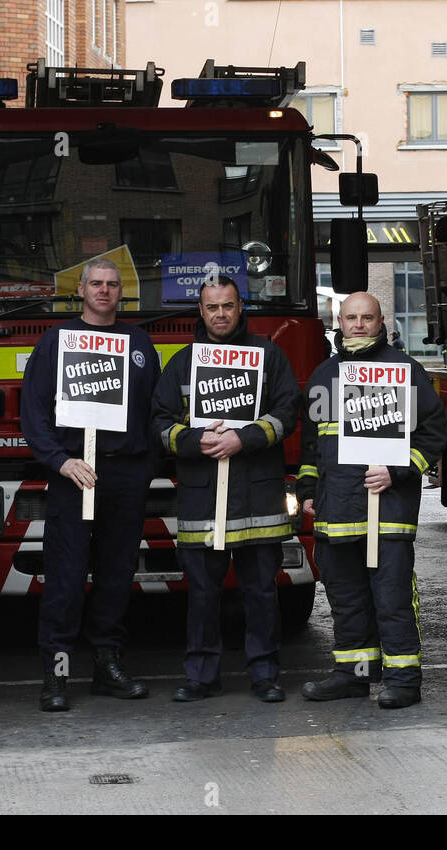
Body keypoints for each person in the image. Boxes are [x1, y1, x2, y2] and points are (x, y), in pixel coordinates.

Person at [152, 276, 300, 703]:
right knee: (201, 595)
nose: (220, 314)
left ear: (241, 308)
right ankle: (201, 675)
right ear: (200, 311)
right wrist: (195, 440)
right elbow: (159, 424)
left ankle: (265, 675)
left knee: (260, 593)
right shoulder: (182, 363)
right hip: (203, 495)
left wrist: (245, 438)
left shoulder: (269, 356)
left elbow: (288, 411)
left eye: (228, 306)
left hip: (257, 497)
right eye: (212, 307)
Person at [20, 258, 160, 711]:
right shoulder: (57, 342)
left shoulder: (139, 343)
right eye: (96, 284)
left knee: (117, 575)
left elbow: (154, 414)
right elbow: (34, 412)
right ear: (80, 290)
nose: (104, 290)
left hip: (125, 476)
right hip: (73, 475)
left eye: (112, 284)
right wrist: (61, 462)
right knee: (65, 576)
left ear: (122, 292)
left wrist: (144, 468)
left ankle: (107, 666)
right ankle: (56, 675)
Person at [297, 292, 447, 709]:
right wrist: (308, 493)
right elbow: (312, 449)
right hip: (337, 513)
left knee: (392, 600)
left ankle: (403, 681)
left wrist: (397, 470)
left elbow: (434, 434)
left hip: (388, 515)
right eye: (351, 317)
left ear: (381, 321)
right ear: (338, 321)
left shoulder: (405, 371)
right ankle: (353, 674)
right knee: (346, 602)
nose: (359, 324)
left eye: (367, 317)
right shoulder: (323, 377)